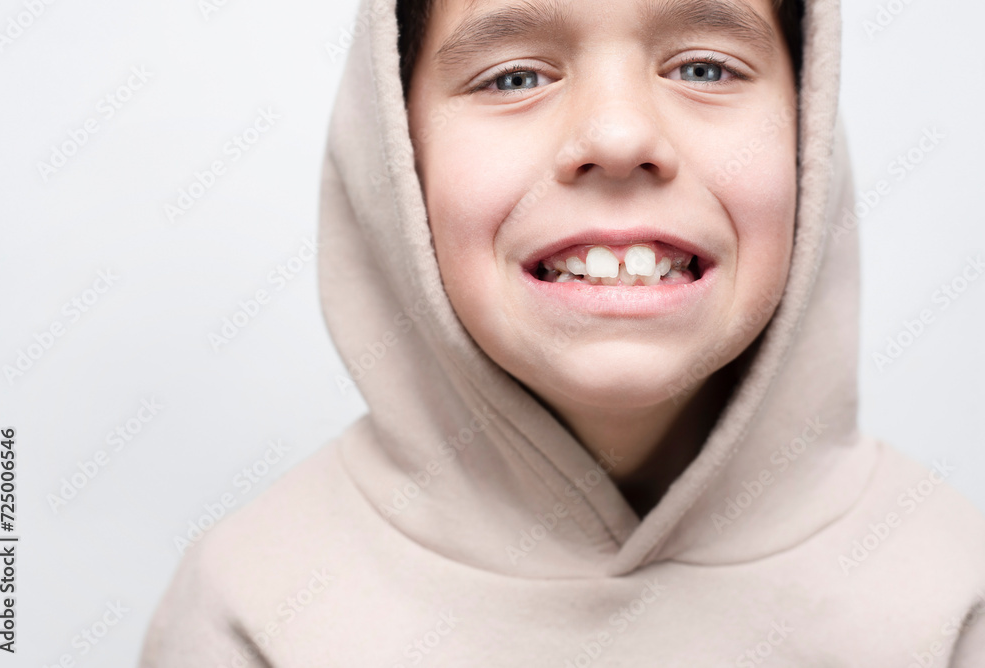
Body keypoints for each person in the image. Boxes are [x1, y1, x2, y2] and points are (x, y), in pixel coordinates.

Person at [140, 0, 985, 664]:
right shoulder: (255, 603)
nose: (619, 138)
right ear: (395, 154)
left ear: (809, 129)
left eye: (704, 65)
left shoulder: (954, 594)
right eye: (512, 77)